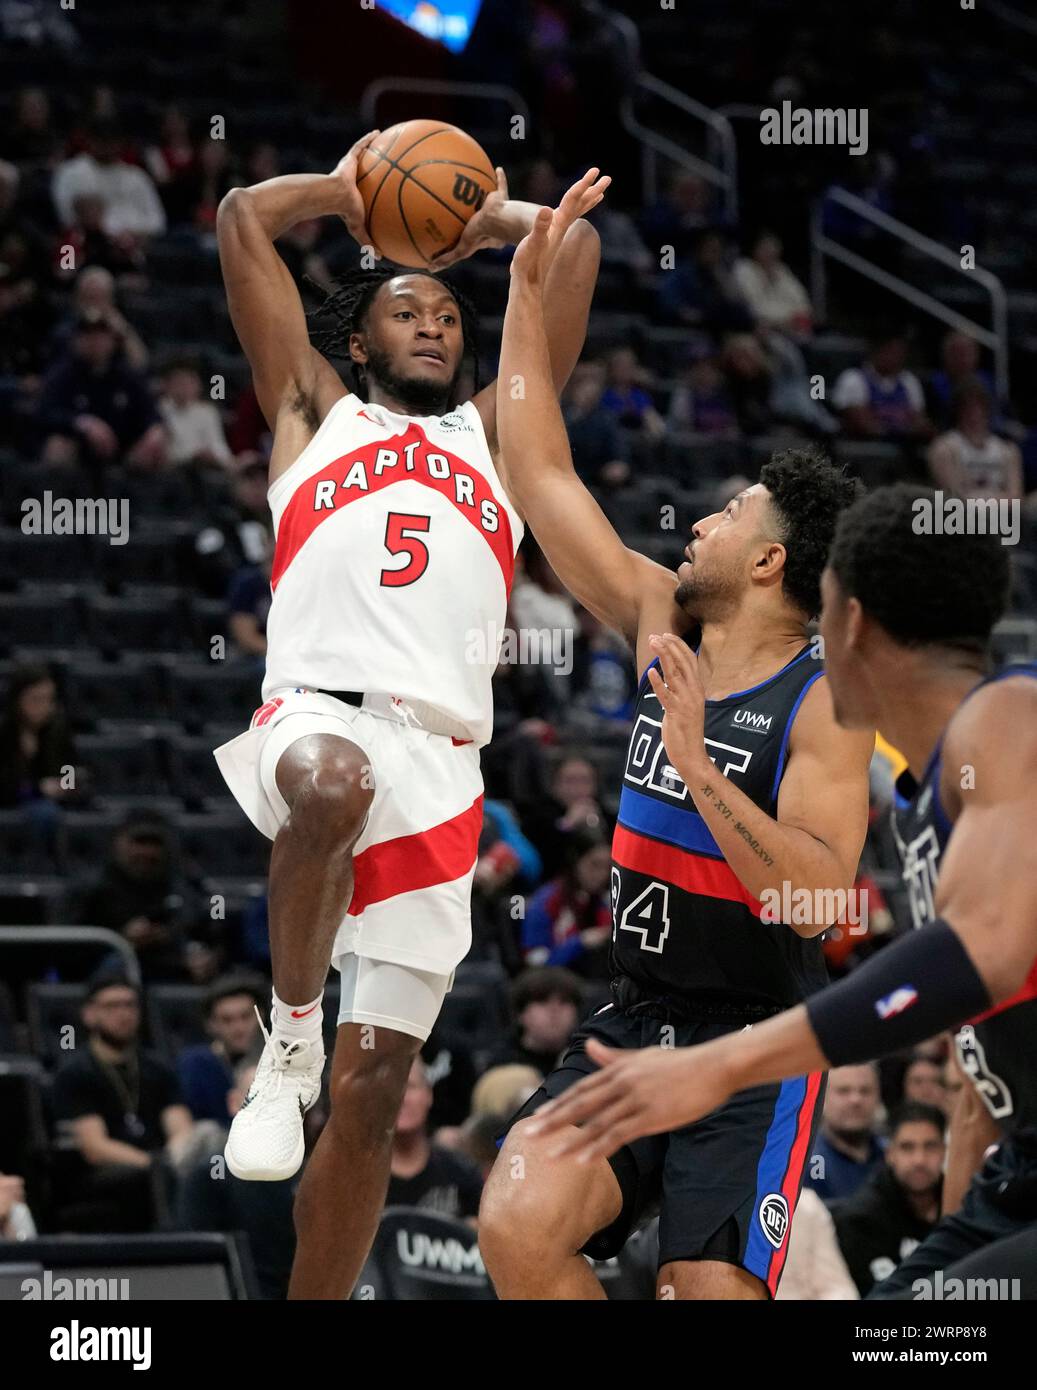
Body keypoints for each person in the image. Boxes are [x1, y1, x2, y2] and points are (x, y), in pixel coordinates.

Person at [210, 141, 609, 1302]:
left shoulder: (497, 437)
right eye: (404, 309)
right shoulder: (310, 413)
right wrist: (348, 196)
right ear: (356, 341)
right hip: (318, 713)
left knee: (376, 1087)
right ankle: (285, 1044)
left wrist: (481, 222)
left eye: (446, 311)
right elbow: (242, 220)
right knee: (328, 785)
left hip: (444, 763)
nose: (433, 322)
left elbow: (569, 248)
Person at [479, 204, 873, 1301]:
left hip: (754, 1044)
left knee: (706, 1292)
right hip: (634, 1012)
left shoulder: (824, 704)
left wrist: (700, 768)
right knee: (515, 1221)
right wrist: (519, 291)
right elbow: (536, 467)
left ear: (769, 562)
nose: (698, 523)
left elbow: (812, 905)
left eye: (728, 512)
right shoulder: (662, 619)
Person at [527, 486, 1037, 1289]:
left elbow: (973, 959)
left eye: (822, 611)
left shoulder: (1006, 720)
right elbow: (983, 1060)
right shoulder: (927, 794)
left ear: (853, 624)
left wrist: (728, 1066)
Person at [51, 972, 198, 1233]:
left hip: (160, 1164)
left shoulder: (158, 1067)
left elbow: (181, 1128)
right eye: (112, 1006)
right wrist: (153, 1165)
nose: (123, 1013)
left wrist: (172, 1159)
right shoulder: (76, 1072)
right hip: (105, 1172)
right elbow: (95, 1147)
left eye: (129, 1005)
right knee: (144, 1181)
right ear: (89, 1014)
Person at [64, 809, 206, 982]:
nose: (147, 852)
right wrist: (120, 939)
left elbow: (210, 927)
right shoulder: (89, 887)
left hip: (172, 966)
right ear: (118, 843)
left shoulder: (186, 883)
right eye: (139, 842)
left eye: (155, 843)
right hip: (103, 973)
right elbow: (66, 948)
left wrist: (207, 956)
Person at [832, 1102, 945, 1297]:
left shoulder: (963, 1204)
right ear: (890, 1153)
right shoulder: (860, 1220)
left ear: (944, 1151)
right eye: (907, 1148)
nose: (919, 1159)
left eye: (930, 1146)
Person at [386, 1059, 483, 1222]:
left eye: (410, 1087)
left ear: (428, 1095)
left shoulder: (462, 1171)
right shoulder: (357, 1178)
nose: (402, 1098)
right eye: (390, 1089)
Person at [177, 974, 265, 1124]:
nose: (239, 1028)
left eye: (245, 1017)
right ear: (211, 1024)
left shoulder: (279, 1059)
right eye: (227, 1020)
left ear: (260, 1016)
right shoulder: (196, 1065)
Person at [927, 380, 1023, 503]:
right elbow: (954, 497)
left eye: (979, 407)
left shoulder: (1008, 450)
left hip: (1002, 514)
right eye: (967, 408)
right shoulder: (944, 448)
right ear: (957, 411)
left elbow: (1016, 498)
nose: (974, 414)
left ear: (988, 410)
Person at [832, 332, 934, 444]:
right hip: (865, 444)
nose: (898, 357)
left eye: (901, 353)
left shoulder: (909, 381)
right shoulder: (853, 378)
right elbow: (862, 424)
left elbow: (919, 420)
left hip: (904, 445)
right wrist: (902, 430)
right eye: (892, 352)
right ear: (878, 351)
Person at [803, 1063, 885, 1203]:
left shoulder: (893, 1155)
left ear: (878, 1097)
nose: (855, 1100)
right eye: (843, 1091)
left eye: (865, 1091)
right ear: (821, 1099)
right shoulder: (803, 1163)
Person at [486, 967, 584, 1074]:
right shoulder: (502, 1065)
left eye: (564, 1001)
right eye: (542, 1001)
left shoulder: (586, 1059)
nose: (555, 1010)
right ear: (521, 1014)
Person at [158, 356, 233, 467]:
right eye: (179, 382)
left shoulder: (207, 411)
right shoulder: (160, 410)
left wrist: (216, 456)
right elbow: (166, 452)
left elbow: (219, 445)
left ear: (197, 385)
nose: (183, 388)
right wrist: (193, 455)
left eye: (188, 382)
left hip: (206, 467)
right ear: (167, 385)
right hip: (173, 469)